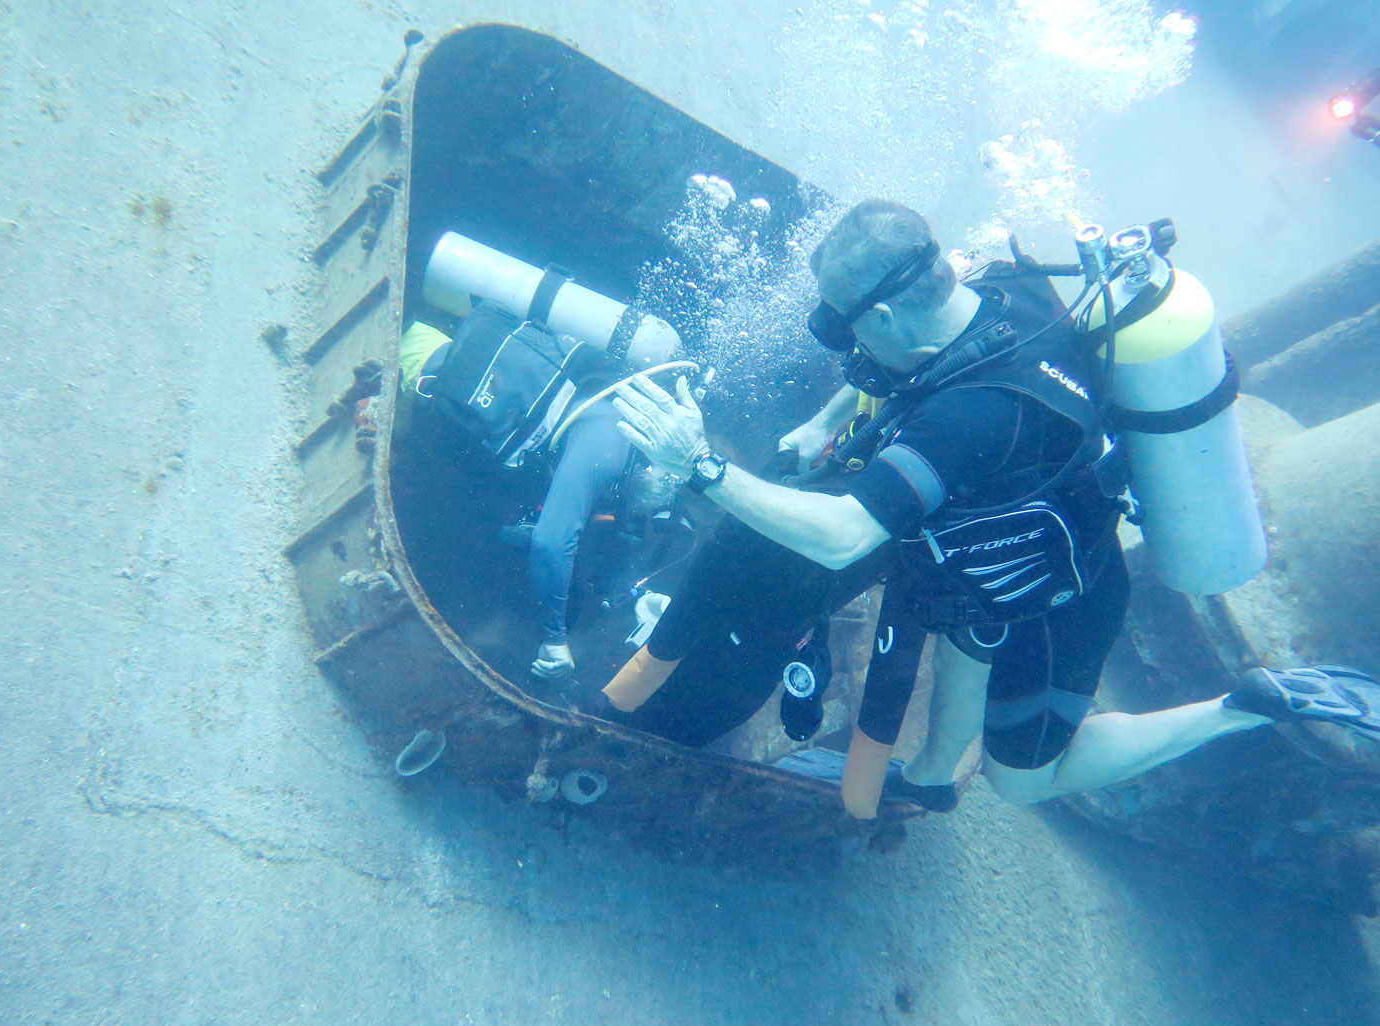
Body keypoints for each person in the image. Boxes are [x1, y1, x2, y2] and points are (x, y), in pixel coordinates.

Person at [601, 198, 1380, 818]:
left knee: (1023, 781)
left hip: (1056, 600)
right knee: (957, 681)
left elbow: (842, 538)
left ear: (880, 315)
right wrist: (824, 420)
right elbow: (882, 362)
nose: (850, 345)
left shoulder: (972, 420)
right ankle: (933, 777)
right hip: (988, 550)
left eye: (848, 324)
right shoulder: (1003, 284)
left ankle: (1246, 706)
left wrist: (698, 466)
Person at [399, 303, 667, 680]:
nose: (648, 504)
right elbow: (551, 542)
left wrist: (630, 595)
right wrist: (554, 638)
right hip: (417, 374)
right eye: (659, 494)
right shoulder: (611, 442)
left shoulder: (605, 420)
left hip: (438, 357)